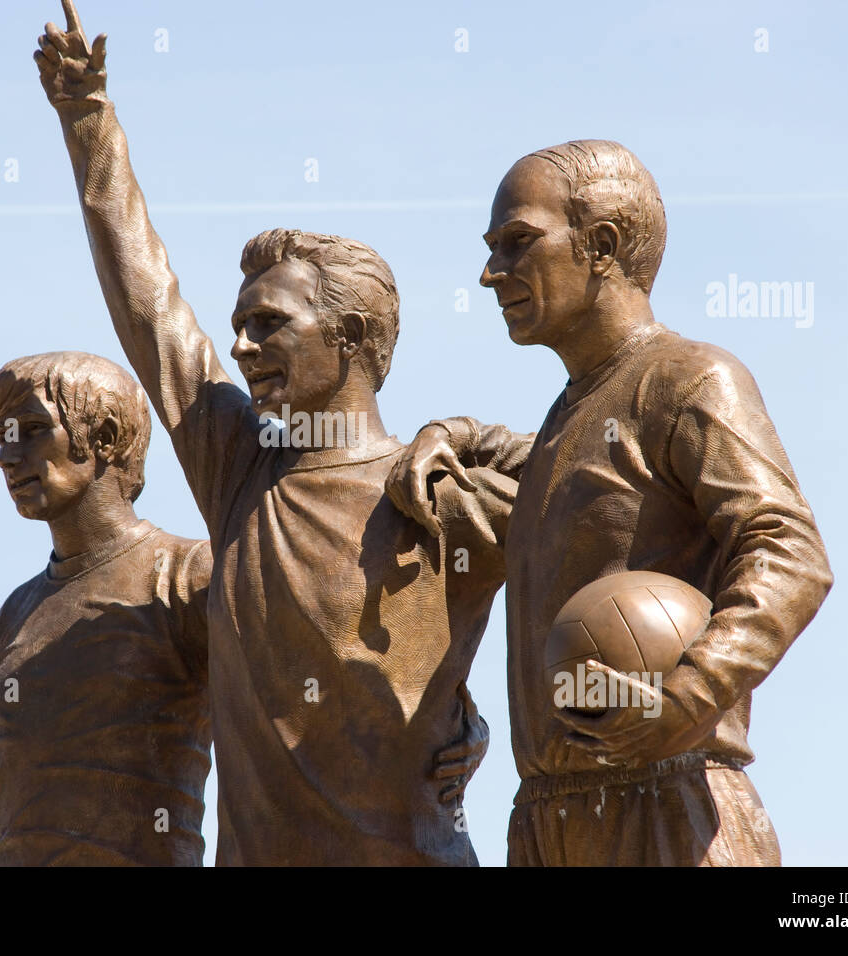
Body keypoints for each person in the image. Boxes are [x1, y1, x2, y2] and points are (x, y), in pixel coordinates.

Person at [33, 1, 520, 865]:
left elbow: (604, 534)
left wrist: (471, 722)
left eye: (270, 326)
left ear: (355, 339)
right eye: (238, 328)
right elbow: (148, 303)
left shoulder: (442, 489)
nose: (243, 347)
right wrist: (87, 122)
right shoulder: (241, 470)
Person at [389, 141, 834, 866]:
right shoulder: (575, 415)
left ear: (601, 245)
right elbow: (560, 462)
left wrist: (691, 694)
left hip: (667, 806)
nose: (489, 272)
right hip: (546, 820)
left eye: (518, 242)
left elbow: (790, 550)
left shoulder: (692, 379)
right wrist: (454, 433)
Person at [0, 351, 212, 866]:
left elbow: (272, 745)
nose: (6, 457)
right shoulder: (17, 612)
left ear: (106, 436)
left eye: (31, 429)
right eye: (1, 438)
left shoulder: (188, 576)